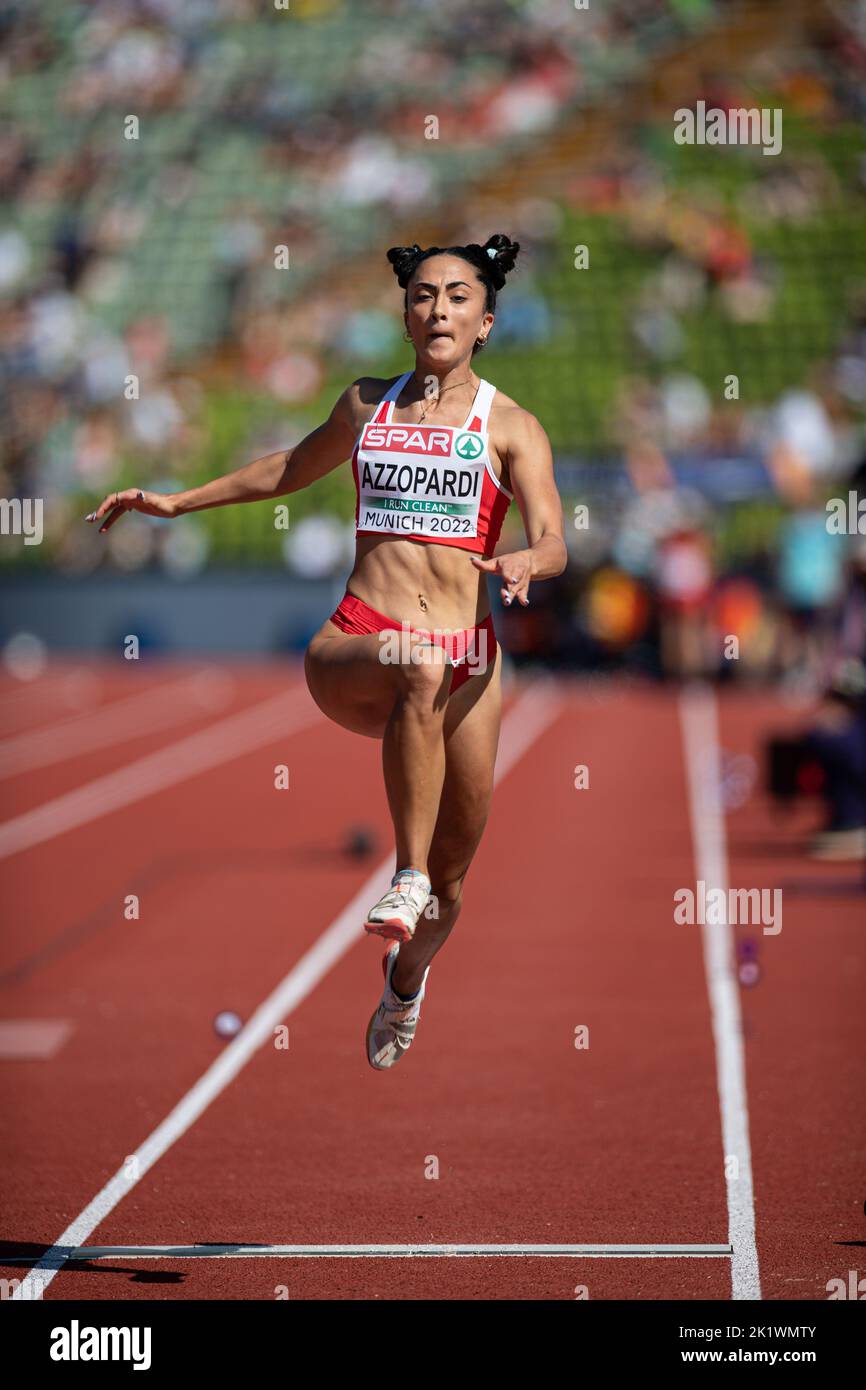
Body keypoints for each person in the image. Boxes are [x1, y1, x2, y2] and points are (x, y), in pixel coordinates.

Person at [87, 234, 567, 1070]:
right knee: (416, 667)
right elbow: (285, 468)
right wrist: (176, 503)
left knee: (456, 890)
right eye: (422, 295)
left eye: (457, 296)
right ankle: (403, 873)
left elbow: (555, 537)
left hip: (471, 660)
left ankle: (406, 976)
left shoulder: (514, 428)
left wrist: (531, 557)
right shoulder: (365, 405)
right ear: (405, 313)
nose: (438, 308)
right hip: (356, 641)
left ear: (486, 321)